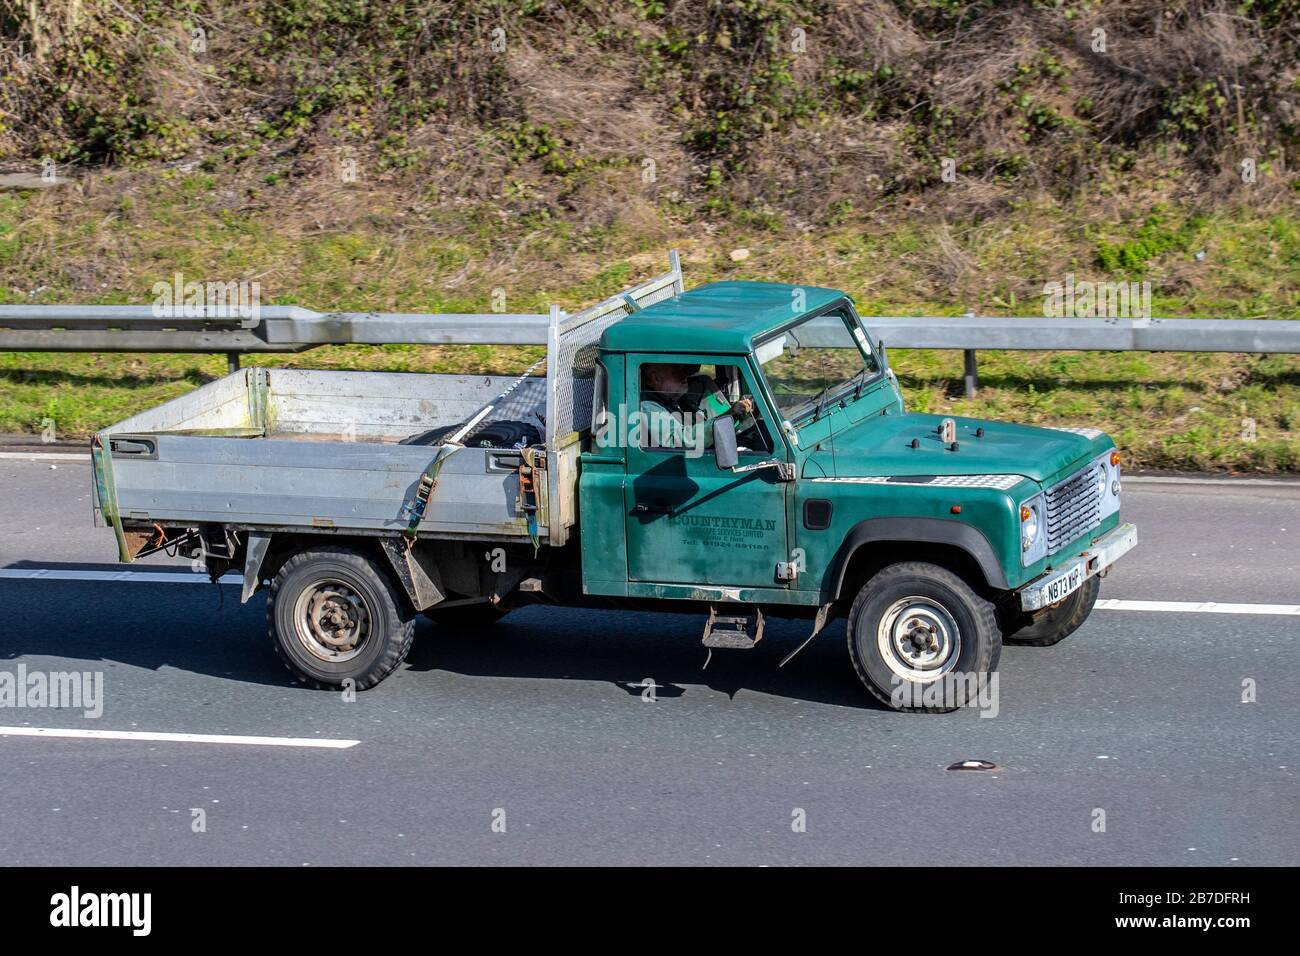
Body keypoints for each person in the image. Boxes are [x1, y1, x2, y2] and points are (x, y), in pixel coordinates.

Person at [639, 363, 756, 450]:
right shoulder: (647, 406)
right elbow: (681, 440)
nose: (684, 374)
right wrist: (729, 415)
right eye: (676, 371)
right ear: (656, 378)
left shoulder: (672, 399)